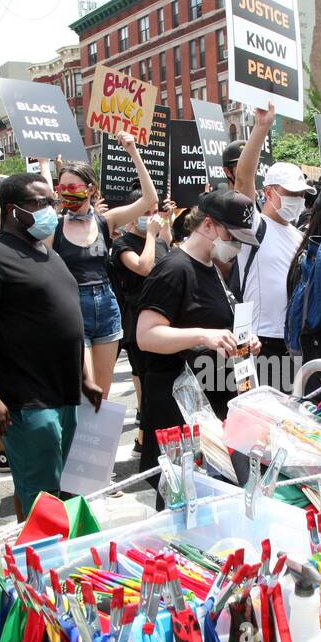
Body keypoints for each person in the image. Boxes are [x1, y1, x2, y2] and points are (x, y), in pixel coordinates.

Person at [0, 172, 102, 521]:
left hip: (66, 394)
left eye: (50, 203)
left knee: (68, 491)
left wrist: (84, 377)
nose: (50, 210)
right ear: (13, 211)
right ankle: (36, 565)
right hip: (26, 399)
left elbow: (69, 320)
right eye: (40, 204)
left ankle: (57, 560)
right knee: (41, 496)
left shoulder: (47, 254)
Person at [136, 189, 261, 483]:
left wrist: (242, 341)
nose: (237, 247)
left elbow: (214, 322)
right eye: (233, 238)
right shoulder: (174, 269)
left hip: (209, 405)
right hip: (177, 409)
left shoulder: (212, 267)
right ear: (208, 225)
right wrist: (203, 336)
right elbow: (146, 335)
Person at [53, 135, 157, 401]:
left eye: (72, 186)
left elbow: (148, 199)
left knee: (102, 396)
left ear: (90, 189)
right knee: (84, 389)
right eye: (61, 187)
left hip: (107, 309)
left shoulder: (104, 221)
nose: (66, 192)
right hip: (72, 308)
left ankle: (95, 444)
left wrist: (133, 151)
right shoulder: (53, 227)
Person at [233, 104, 313, 388]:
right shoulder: (253, 226)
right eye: (291, 193)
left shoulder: (298, 235)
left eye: (302, 195)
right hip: (254, 341)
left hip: (290, 342)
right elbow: (243, 180)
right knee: (254, 420)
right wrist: (261, 127)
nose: (298, 200)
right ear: (268, 192)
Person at [110, 187, 176, 456]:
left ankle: (147, 438)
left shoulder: (159, 240)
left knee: (160, 385)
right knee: (146, 384)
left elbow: (166, 254)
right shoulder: (122, 243)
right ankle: (145, 442)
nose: (150, 217)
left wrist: (165, 224)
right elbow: (144, 267)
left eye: (153, 212)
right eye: (144, 213)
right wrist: (150, 233)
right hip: (137, 322)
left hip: (162, 322)